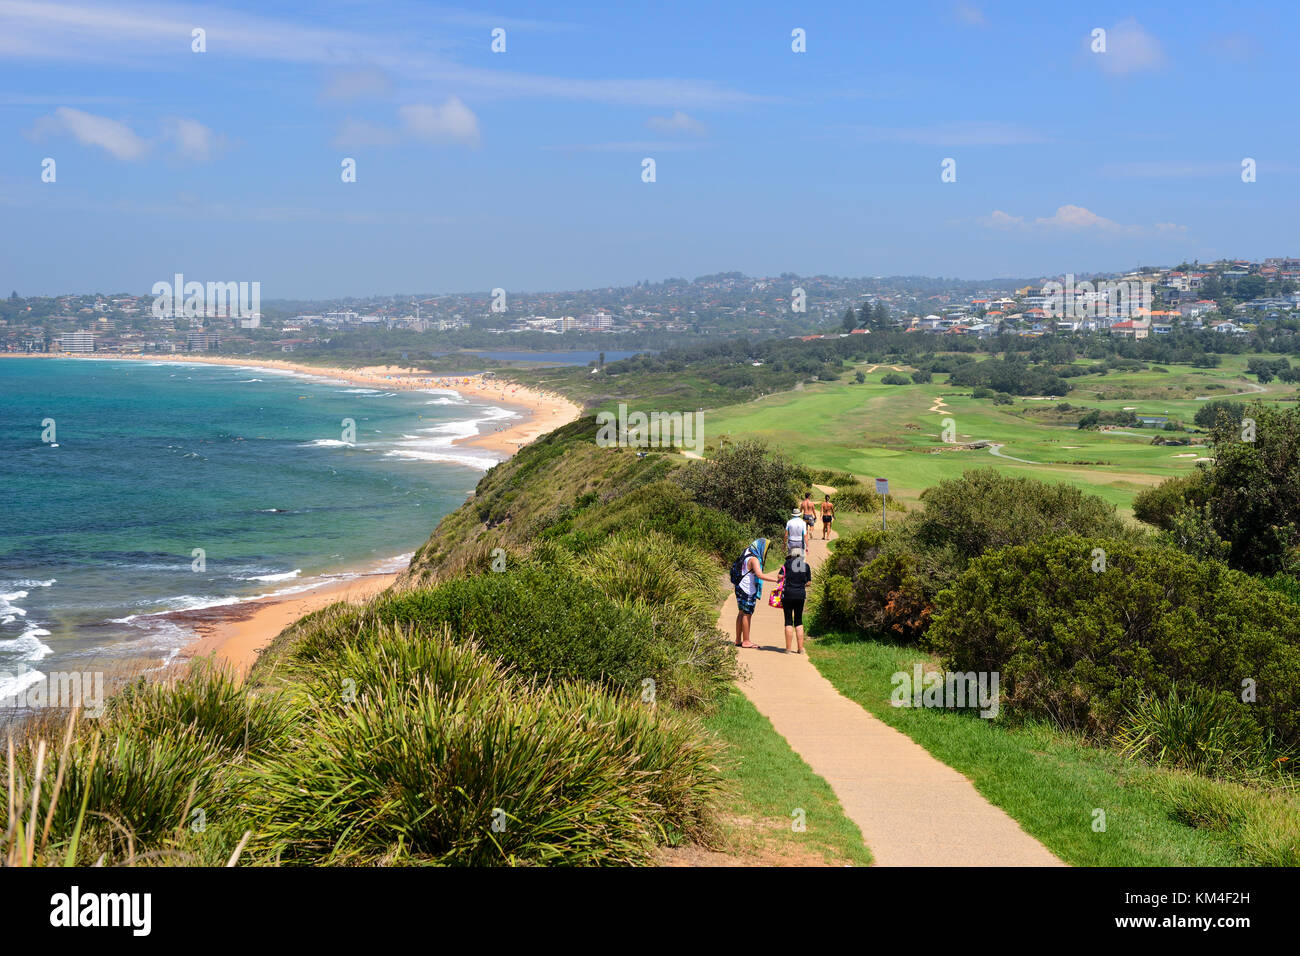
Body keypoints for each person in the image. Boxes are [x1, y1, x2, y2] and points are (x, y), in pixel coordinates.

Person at [735, 537, 780, 649]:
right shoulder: (754, 559)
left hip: (739, 586)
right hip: (747, 589)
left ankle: (738, 640)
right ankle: (746, 641)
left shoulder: (746, 552)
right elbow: (759, 575)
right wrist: (776, 580)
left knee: (741, 612)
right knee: (747, 614)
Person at [781, 547, 813, 653]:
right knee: (799, 621)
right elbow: (809, 582)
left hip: (788, 594)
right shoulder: (806, 566)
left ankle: (788, 649)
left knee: (788, 621)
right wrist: (801, 584)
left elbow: (780, 576)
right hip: (800, 595)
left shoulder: (787, 564)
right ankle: (800, 649)